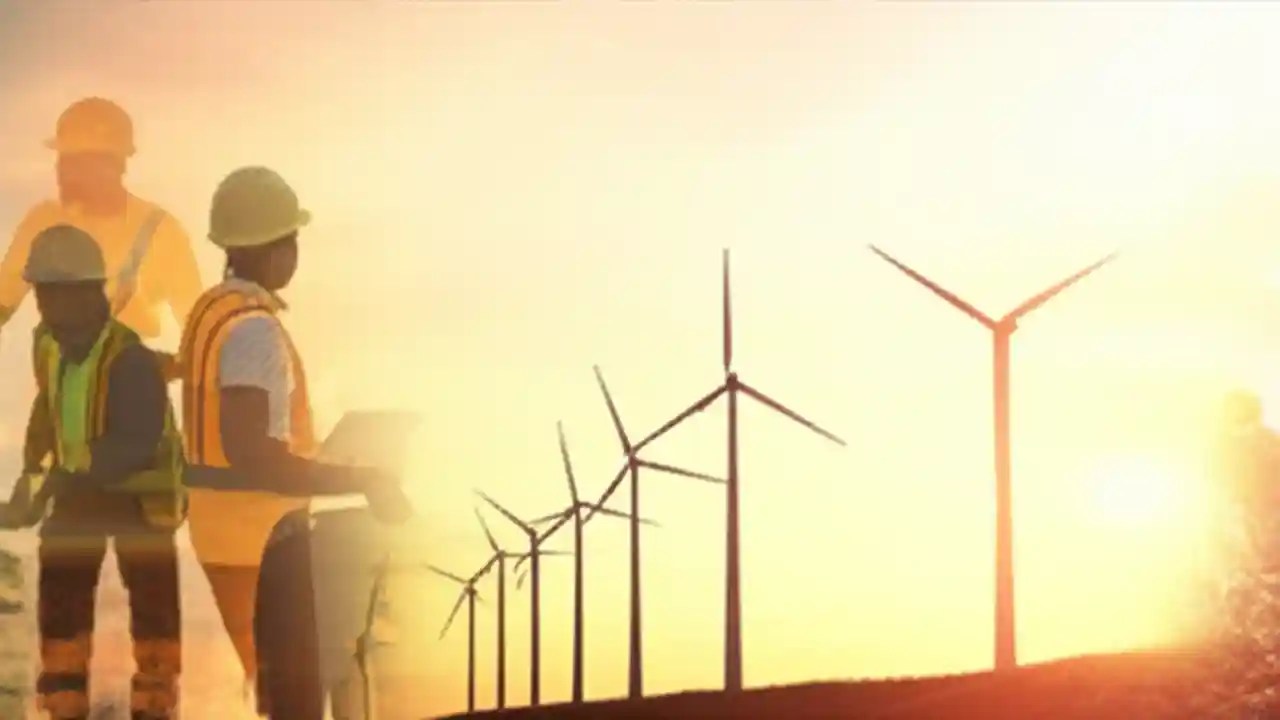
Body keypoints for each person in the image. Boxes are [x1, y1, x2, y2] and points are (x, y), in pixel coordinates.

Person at [177, 166, 411, 718]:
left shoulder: (211, 312)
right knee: (297, 705)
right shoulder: (254, 329)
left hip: (223, 531)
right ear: (274, 247)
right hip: (263, 538)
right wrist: (364, 481)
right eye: (292, 239)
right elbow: (255, 454)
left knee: (277, 697)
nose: (296, 252)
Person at [16, 224, 185, 720]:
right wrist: (30, 484)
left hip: (142, 495)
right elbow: (45, 416)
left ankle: (154, 707)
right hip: (78, 487)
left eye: (52, 292)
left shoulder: (129, 358)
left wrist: (66, 479)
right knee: (61, 592)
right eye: (39, 292)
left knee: (154, 609)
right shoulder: (48, 344)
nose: (43, 304)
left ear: (88, 292)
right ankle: (64, 703)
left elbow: (134, 443)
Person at [0, 97, 203, 357]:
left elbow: (198, 326)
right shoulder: (44, 221)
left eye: (74, 162)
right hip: (62, 390)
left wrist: (165, 370)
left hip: (131, 389)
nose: (60, 171)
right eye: (62, 159)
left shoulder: (160, 232)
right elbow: (4, 298)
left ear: (113, 166)